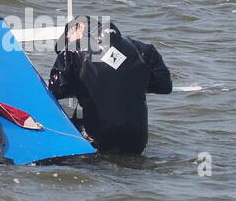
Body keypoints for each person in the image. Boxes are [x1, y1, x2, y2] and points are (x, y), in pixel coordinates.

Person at [47, 16, 172, 155]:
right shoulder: (144, 49)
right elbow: (164, 85)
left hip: (98, 137)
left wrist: (83, 85)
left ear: (80, 27)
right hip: (137, 140)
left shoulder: (73, 49)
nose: (68, 43)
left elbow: (56, 90)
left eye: (68, 38)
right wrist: (128, 84)